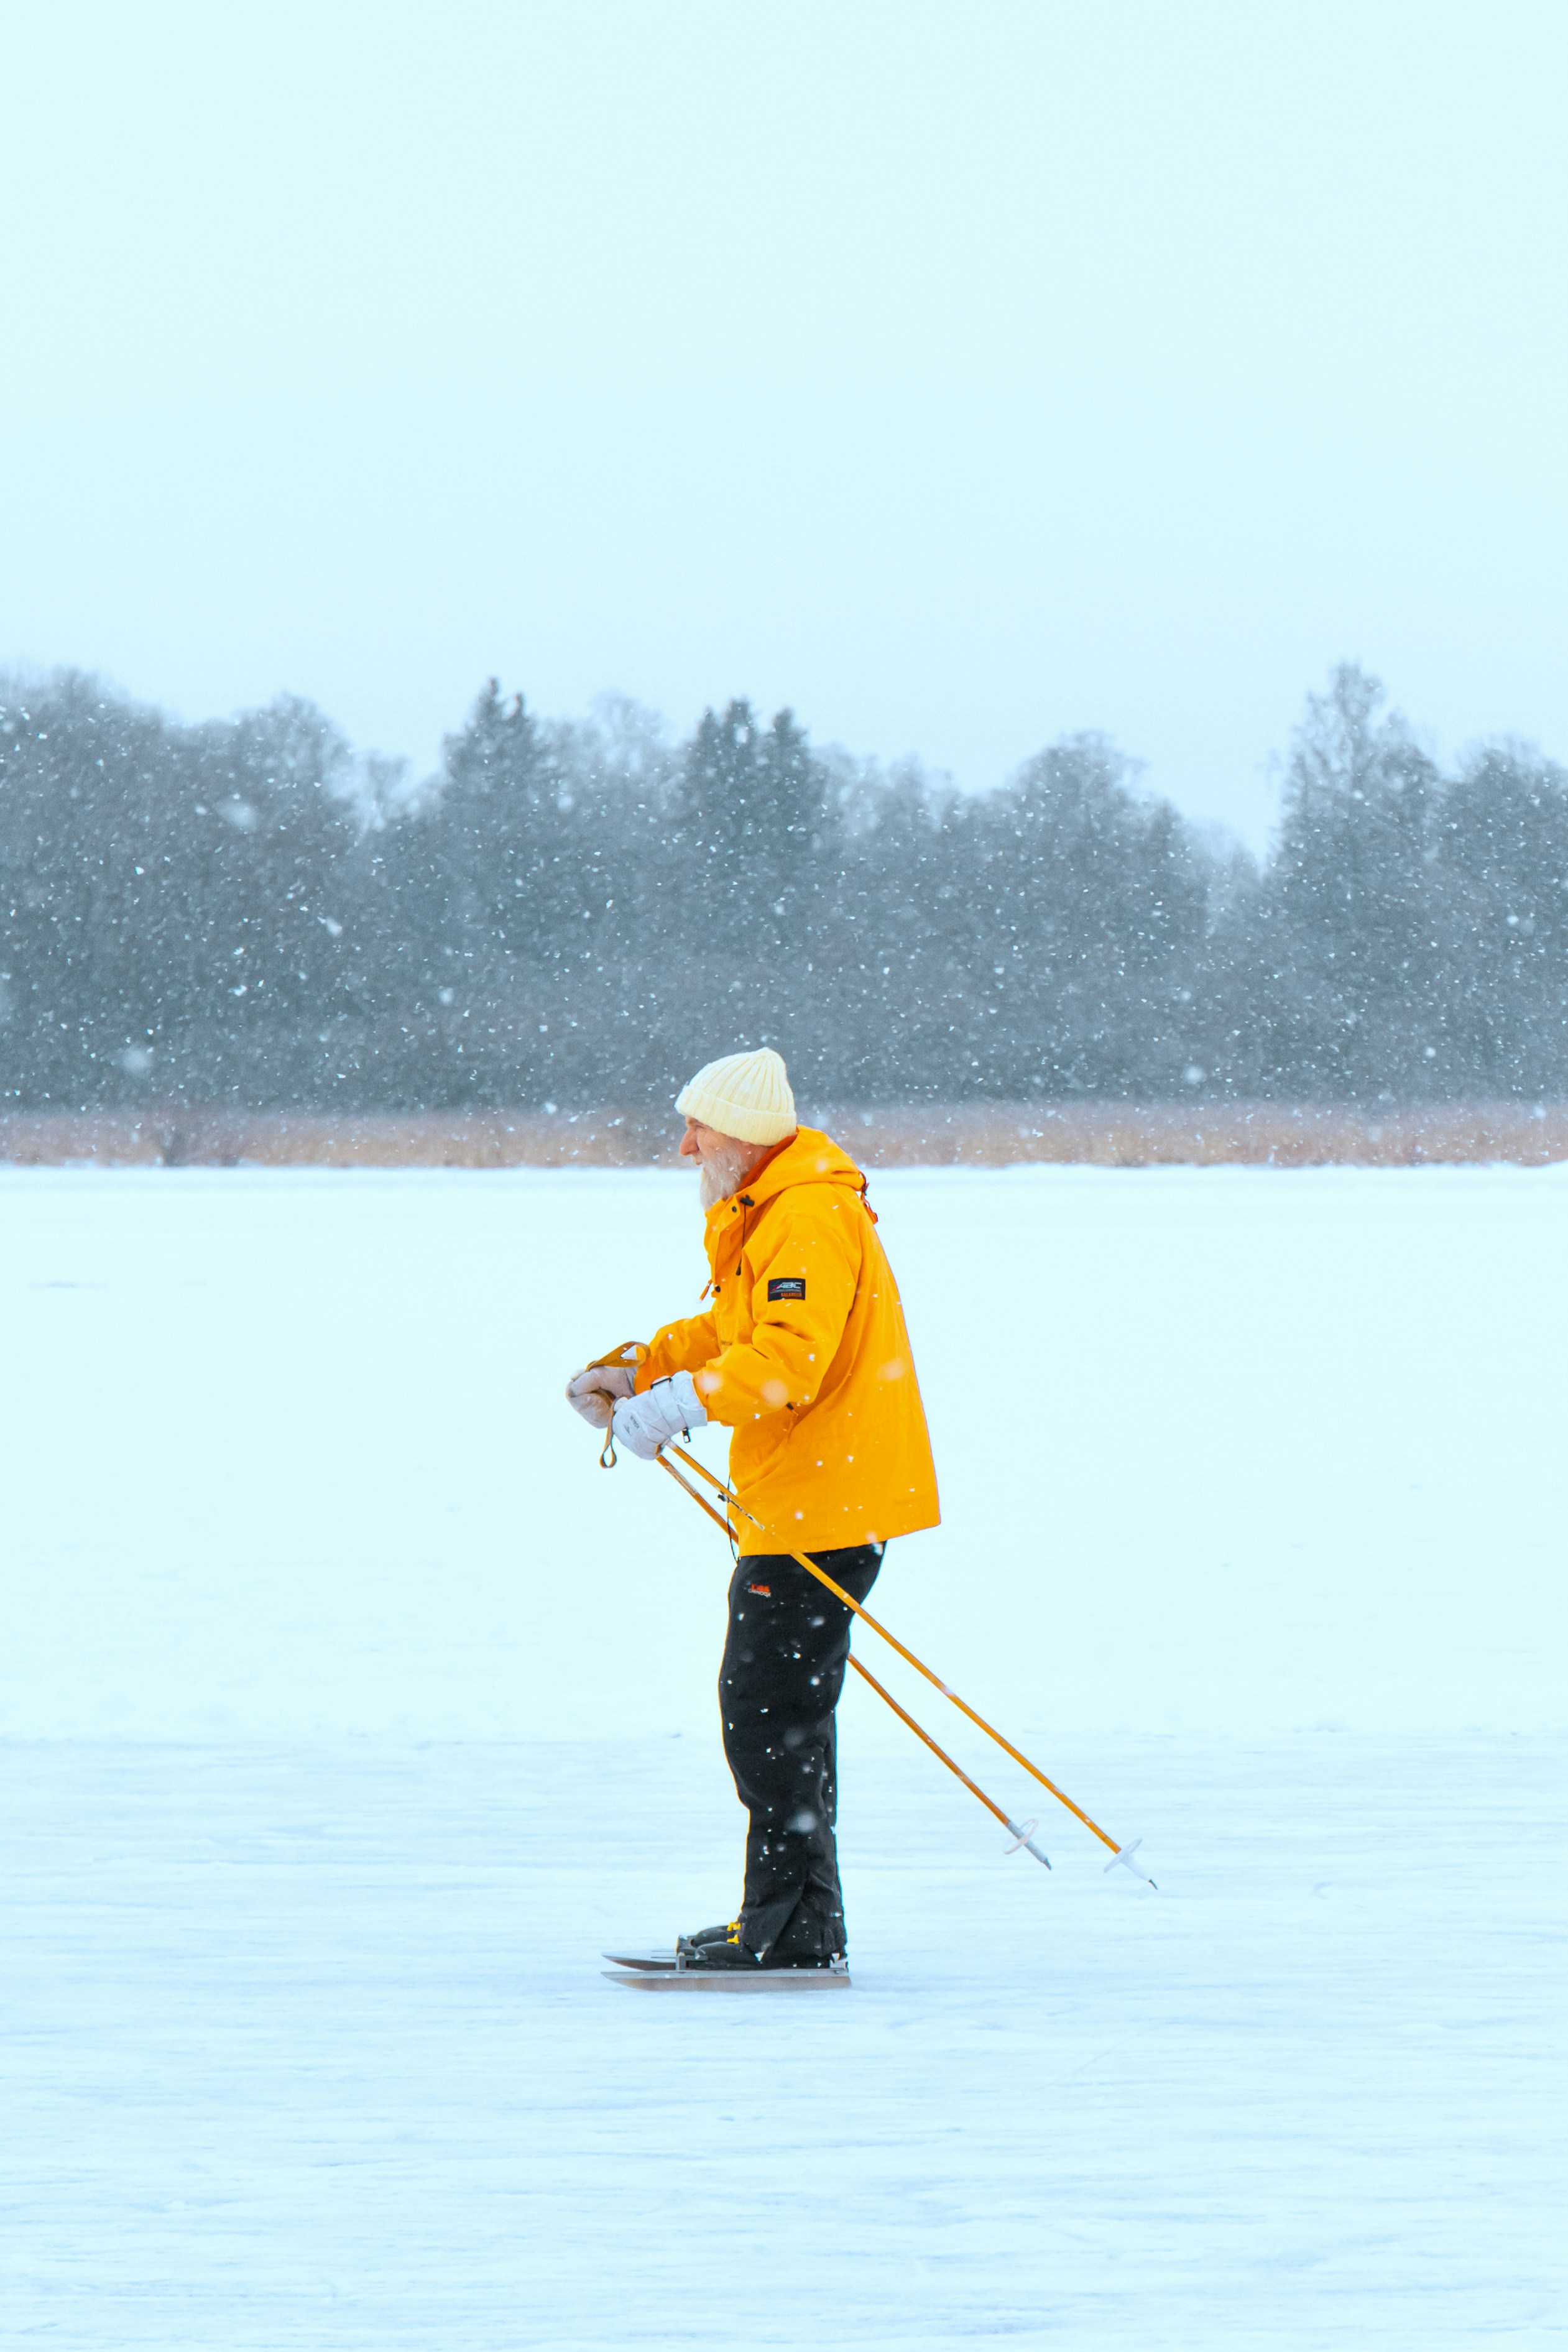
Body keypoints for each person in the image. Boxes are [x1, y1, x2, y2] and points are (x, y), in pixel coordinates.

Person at [566, 1046, 939, 1972]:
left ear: (742, 1134)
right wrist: (638, 1368)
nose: (684, 1144)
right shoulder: (770, 1209)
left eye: (697, 1127)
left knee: (768, 1713)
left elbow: (783, 1359)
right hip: (805, 1498)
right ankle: (793, 1921)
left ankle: (792, 1930)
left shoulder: (805, 1215)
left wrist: (677, 1405)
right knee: (778, 1711)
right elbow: (732, 1330)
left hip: (826, 1503)